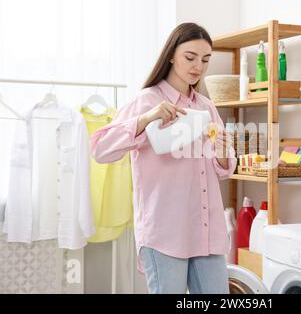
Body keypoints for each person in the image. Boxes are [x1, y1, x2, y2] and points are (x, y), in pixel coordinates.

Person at [90, 22, 237, 294]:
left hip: (206, 231)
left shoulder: (206, 106)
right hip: (165, 232)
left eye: (205, 60)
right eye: (190, 57)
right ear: (171, 55)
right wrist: (146, 119)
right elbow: (100, 149)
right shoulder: (146, 101)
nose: (198, 67)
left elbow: (223, 168)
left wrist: (222, 154)